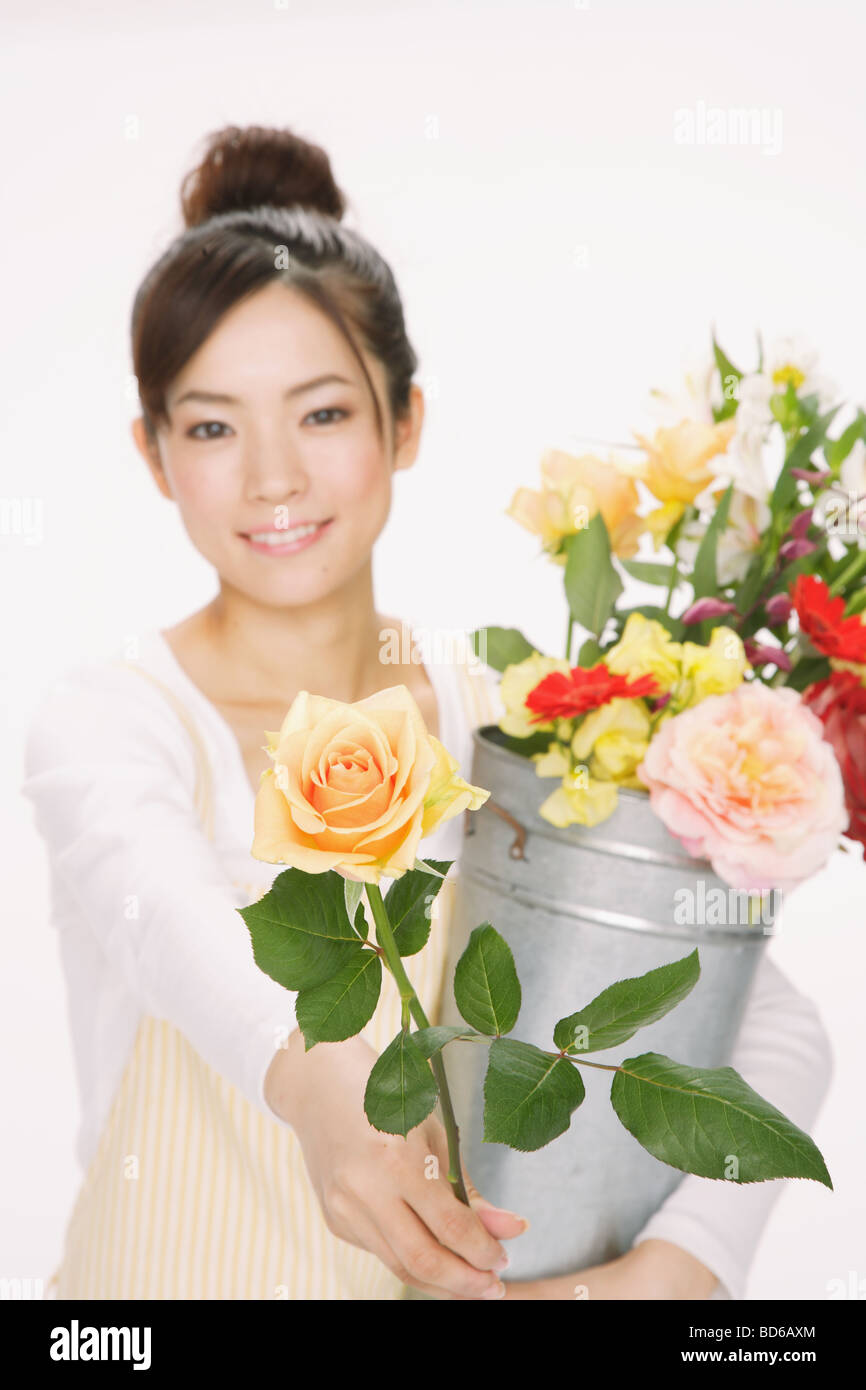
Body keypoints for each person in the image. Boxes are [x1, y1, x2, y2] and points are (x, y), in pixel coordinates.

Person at [22, 123, 833, 1301]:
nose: (272, 479)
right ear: (152, 454)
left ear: (404, 421)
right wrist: (312, 1086)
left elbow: (766, 1021)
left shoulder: (504, 721)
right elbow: (166, 919)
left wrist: (667, 1274)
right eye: (210, 426)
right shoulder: (112, 722)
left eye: (321, 414)